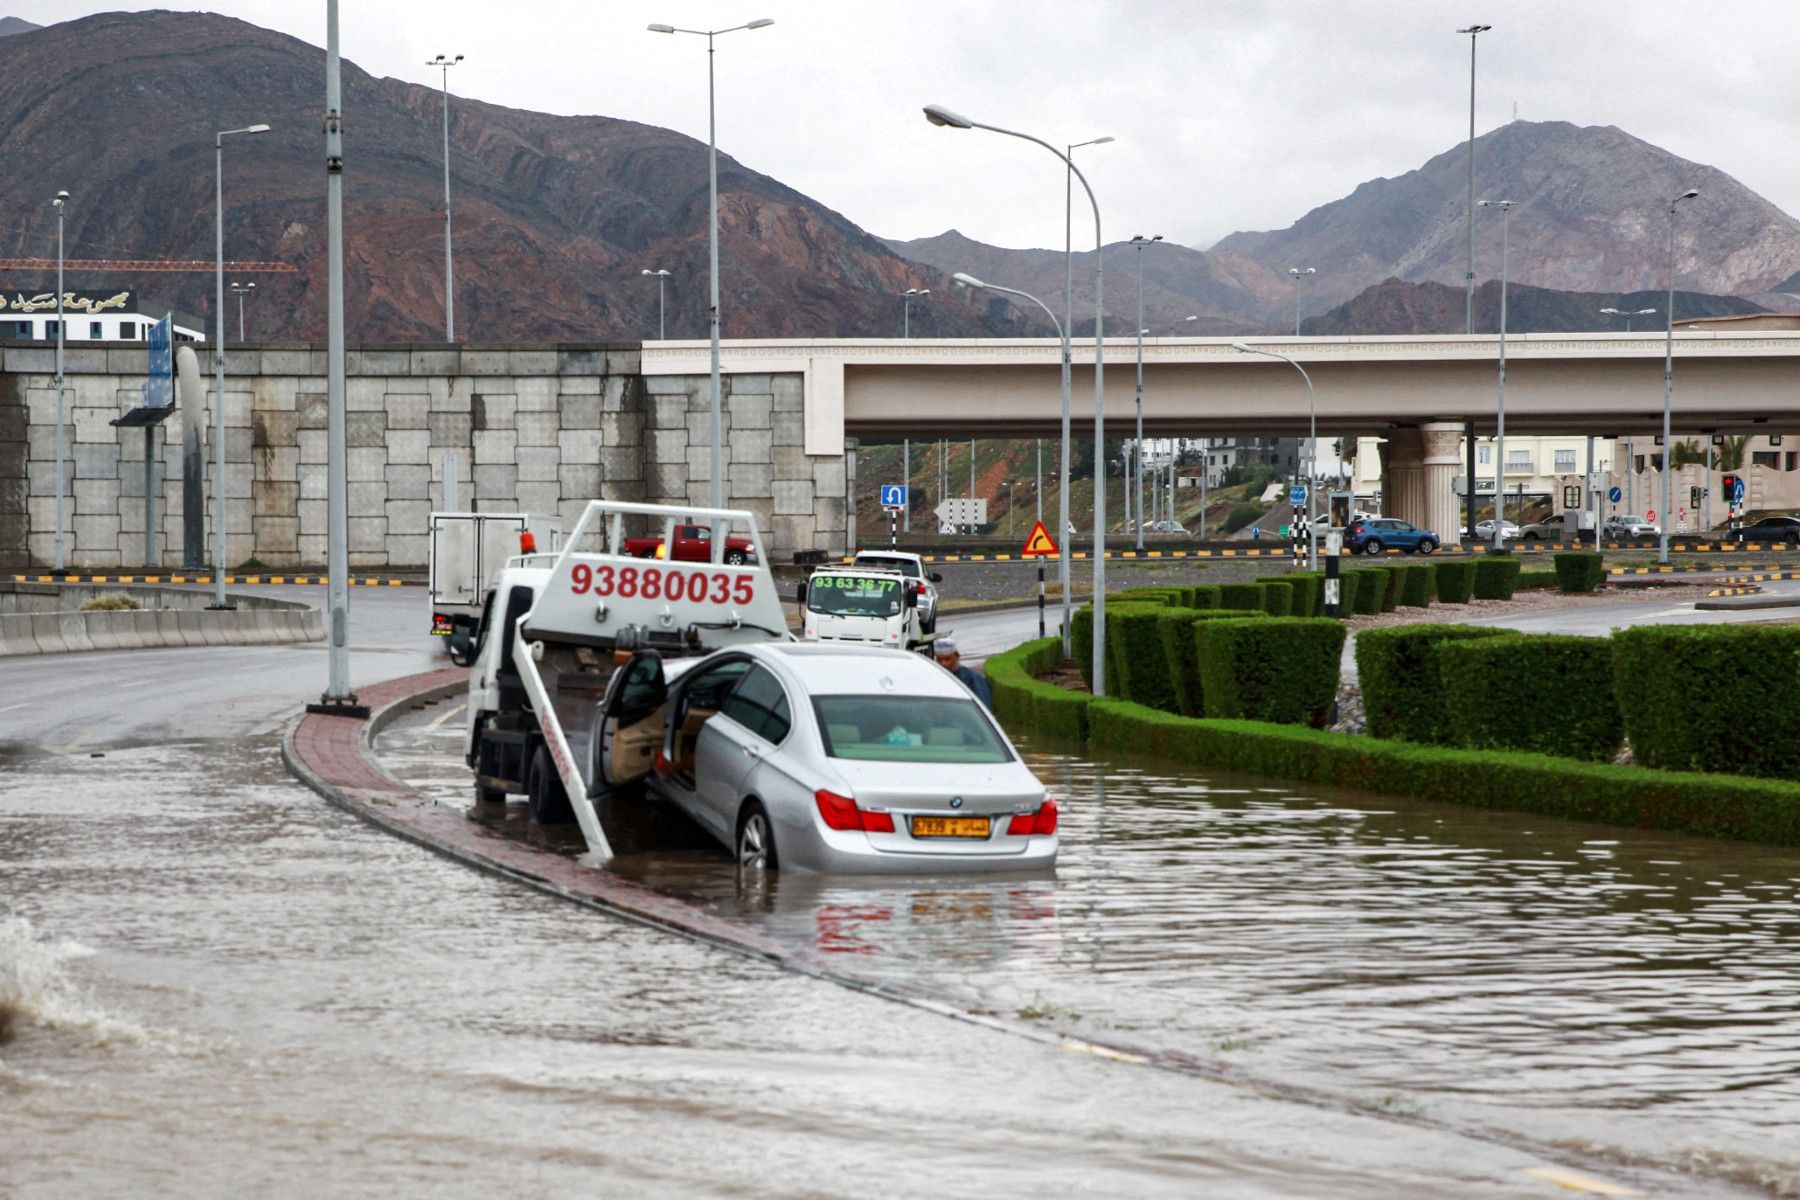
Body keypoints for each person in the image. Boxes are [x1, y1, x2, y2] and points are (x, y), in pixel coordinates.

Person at [932, 636, 992, 709]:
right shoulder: (934, 679)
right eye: (939, 660)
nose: (943, 664)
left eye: (947, 659)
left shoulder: (972, 678)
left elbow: (982, 708)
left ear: (957, 656)